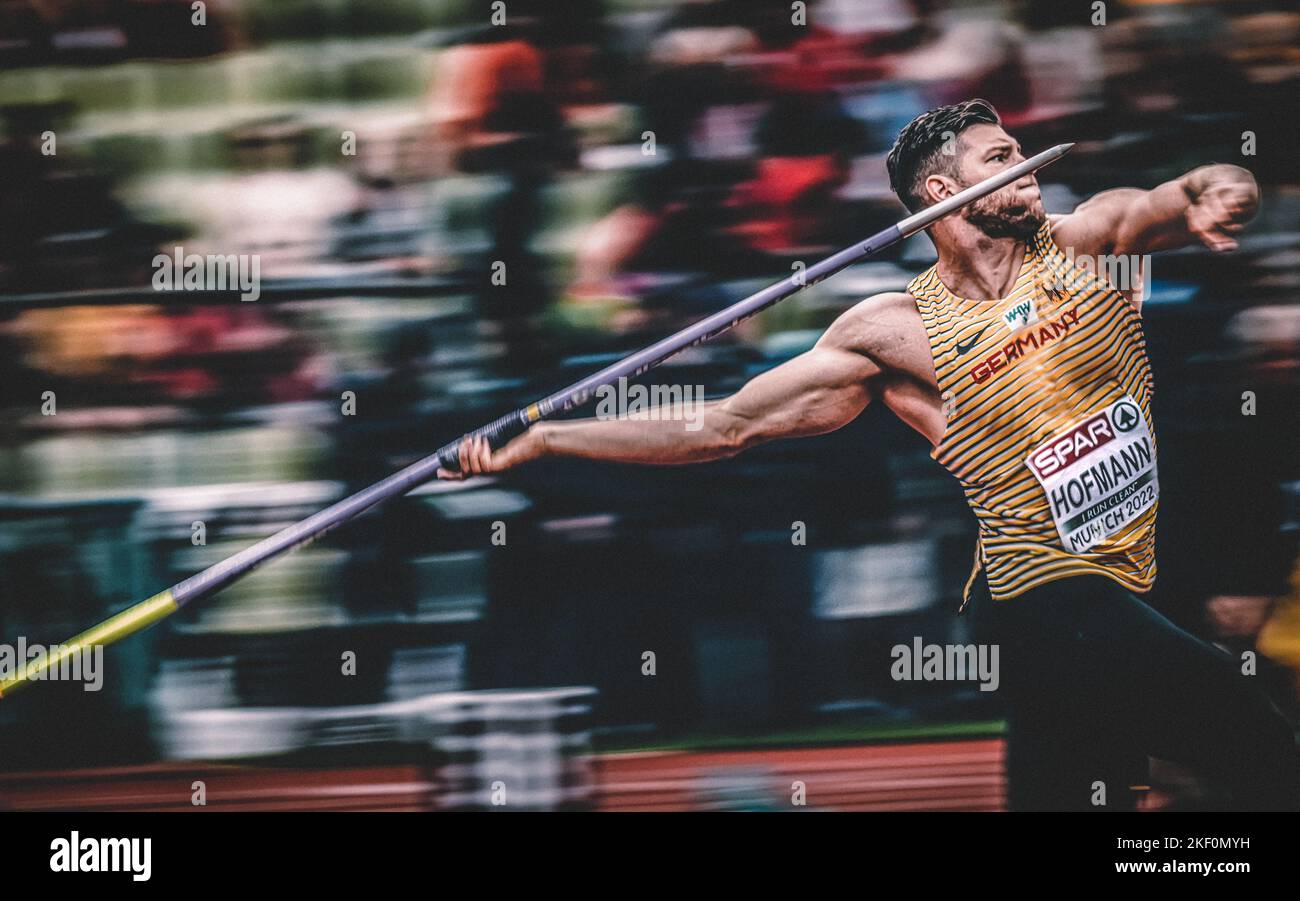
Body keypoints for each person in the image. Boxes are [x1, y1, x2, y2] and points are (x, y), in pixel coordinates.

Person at [437, 99, 1298, 811]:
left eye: (1027, 150)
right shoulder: (895, 332)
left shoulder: (1089, 244)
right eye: (1004, 154)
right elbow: (725, 425)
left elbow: (1188, 191)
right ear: (942, 189)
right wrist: (548, 439)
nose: (1030, 164)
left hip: (1126, 586)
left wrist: (1225, 192)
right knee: (1258, 743)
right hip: (1036, 595)